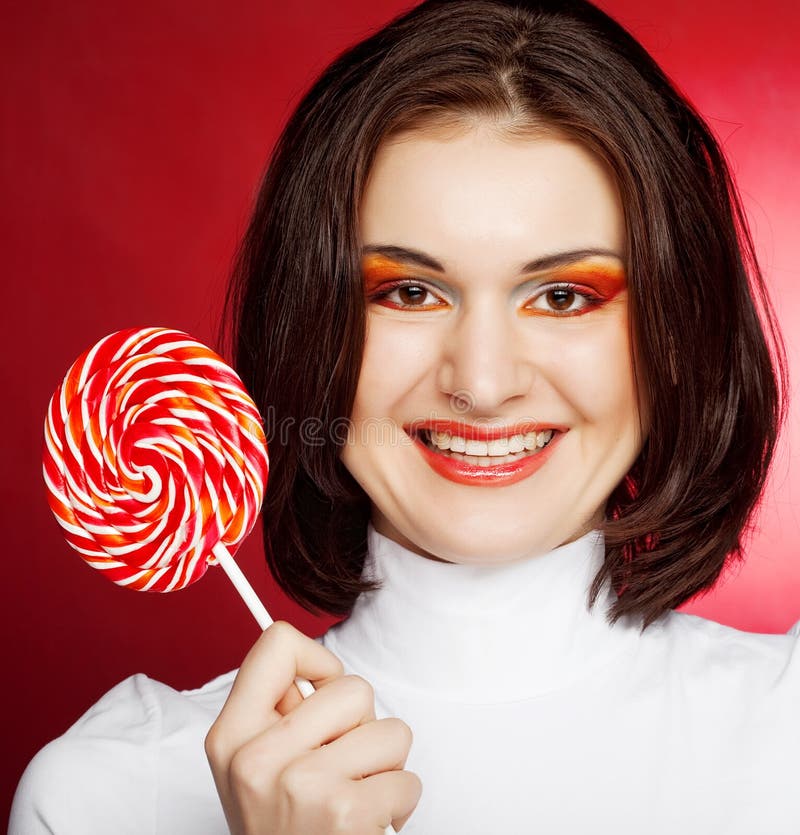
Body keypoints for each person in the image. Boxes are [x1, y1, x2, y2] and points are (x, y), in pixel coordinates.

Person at [11, 0, 799, 832]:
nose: (484, 383)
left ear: (675, 334)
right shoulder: (109, 796)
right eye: (410, 292)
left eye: (563, 296)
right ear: (313, 329)